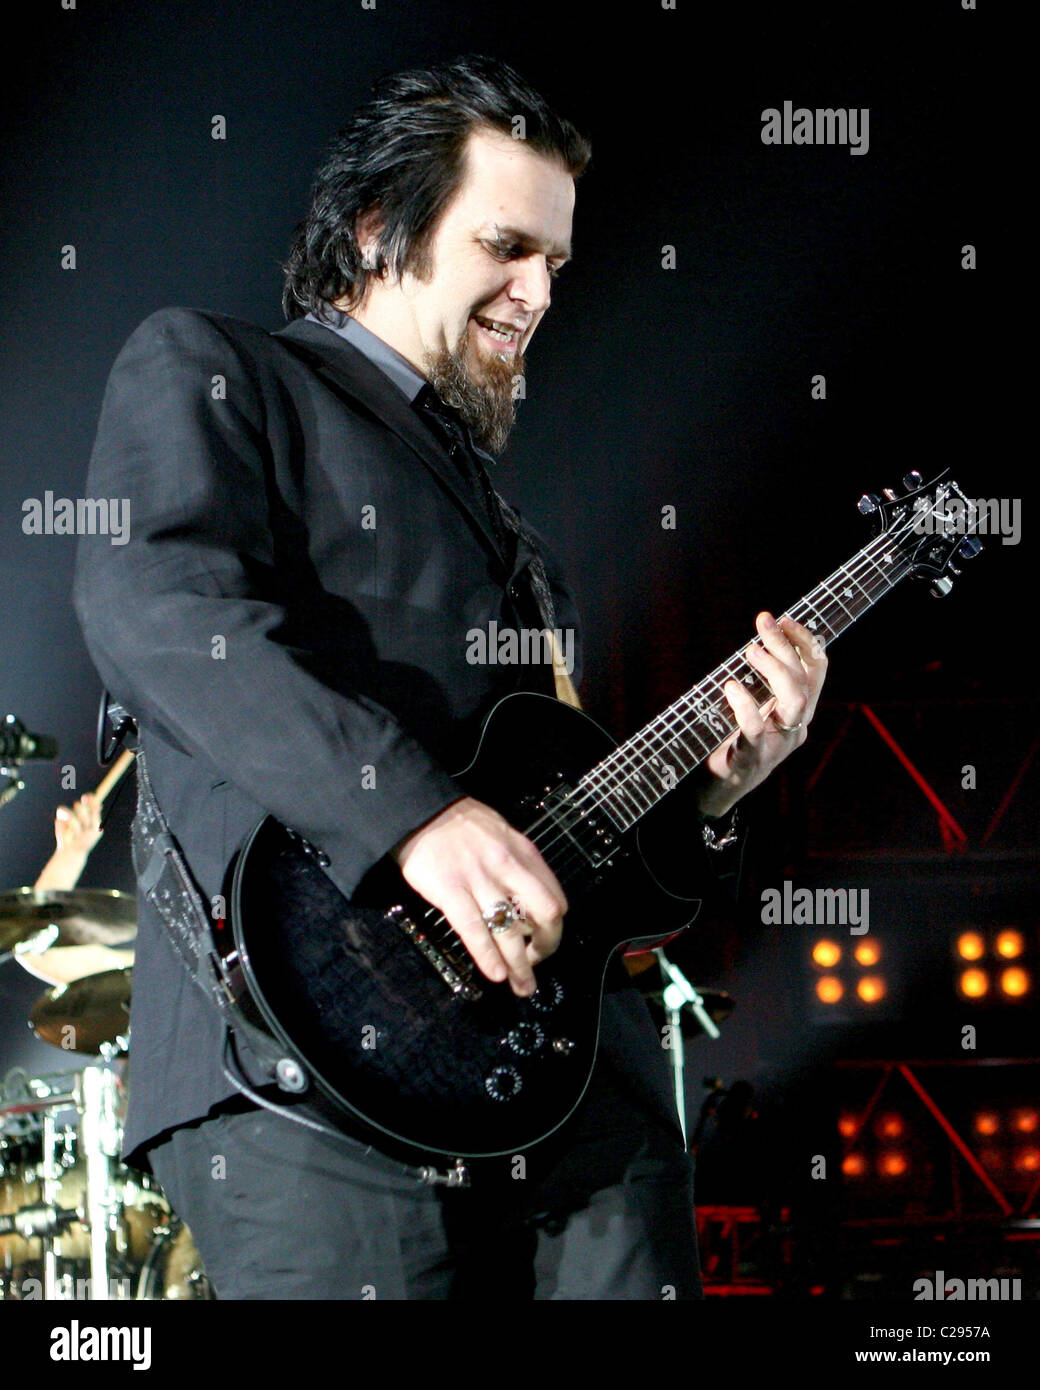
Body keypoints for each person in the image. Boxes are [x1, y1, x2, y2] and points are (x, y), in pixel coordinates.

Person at [74, 54, 827, 1300]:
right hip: (310, 1066)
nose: (537, 293)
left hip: (576, 1088)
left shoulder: (509, 532)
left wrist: (709, 793)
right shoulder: (221, 370)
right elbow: (153, 603)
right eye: (505, 247)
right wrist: (409, 816)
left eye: (557, 264)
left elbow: (577, 837)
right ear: (379, 231)